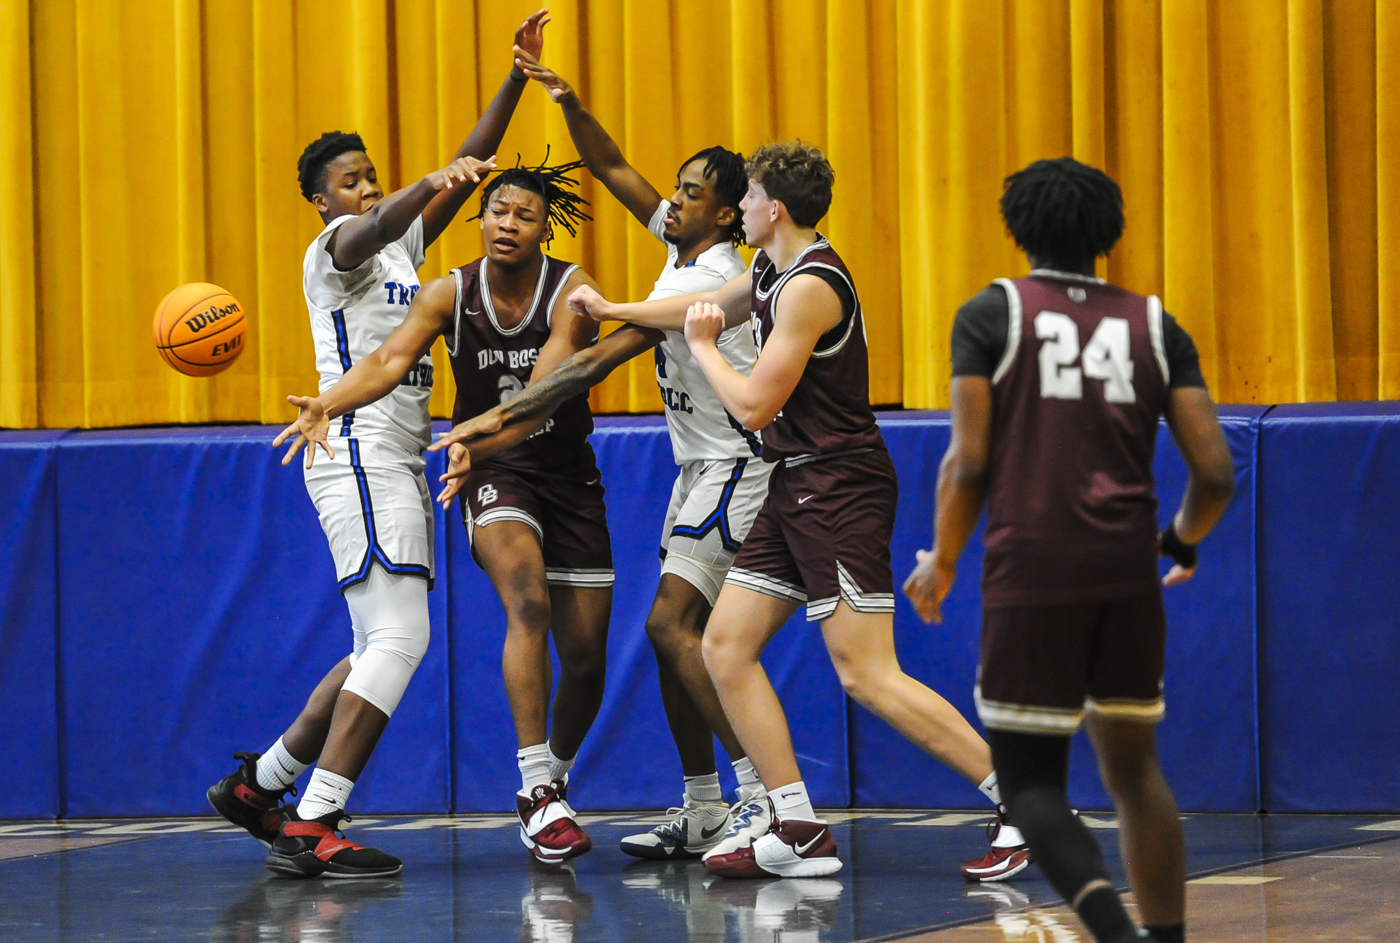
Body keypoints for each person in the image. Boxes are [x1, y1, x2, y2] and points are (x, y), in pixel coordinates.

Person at [565, 140, 1012, 879]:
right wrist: (614, 306)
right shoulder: (770, 265)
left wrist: (708, 348)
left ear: (774, 208)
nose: (738, 206)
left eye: (747, 197)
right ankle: (796, 822)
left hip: (839, 485)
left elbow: (751, 400)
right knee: (724, 646)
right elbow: (694, 306)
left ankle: (1016, 798)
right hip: (792, 483)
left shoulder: (811, 284)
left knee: (867, 674)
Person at [204, 9, 550, 880]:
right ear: (322, 200)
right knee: (402, 639)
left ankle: (264, 785)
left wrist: (513, 80)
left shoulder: (403, 243)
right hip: (354, 445)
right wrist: (424, 185)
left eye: (371, 177)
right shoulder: (334, 246)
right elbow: (374, 226)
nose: (365, 190)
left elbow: (472, 163)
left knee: (376, 642)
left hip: (397, 454)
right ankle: (314, 819)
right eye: (350, 181)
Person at [433, 45, 771, 861]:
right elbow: (613, 166)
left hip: (739, 465)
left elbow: (589, 360)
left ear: (722, 214)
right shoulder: (683, 249)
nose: (672, 200)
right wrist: (568, 101)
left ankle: (764, 796)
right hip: (699, 470)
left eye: (690, 193)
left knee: (671, 626)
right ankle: (702, 804)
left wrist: (481, 425)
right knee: (666, 632)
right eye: (680, 189)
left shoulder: (710, 276)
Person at [903, 157, 1235, 943]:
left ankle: (1116, 936)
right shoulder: (1156, 323)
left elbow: (969, 462)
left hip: (1033, 570)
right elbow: (1216, 472)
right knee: (1136, 772)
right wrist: (1179, 538)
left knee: (1028, 783)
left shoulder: (993, 314)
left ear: (1017, 227)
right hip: (1127, 574)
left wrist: (944, 558)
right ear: (1107, 233)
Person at [273, 154, 612, 867]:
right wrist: (329, 401)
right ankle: (533, 790)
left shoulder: (572, 289)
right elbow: (389, 360)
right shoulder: (446, 291)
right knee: (525, 603)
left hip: (561, 468)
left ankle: (554, 774)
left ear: (545, 226)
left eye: (523, 214)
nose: (506, 223)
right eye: (496, 211)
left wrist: (475, 432)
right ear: (480, 219)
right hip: (493, 470)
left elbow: (542, 394)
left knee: (583, 658)